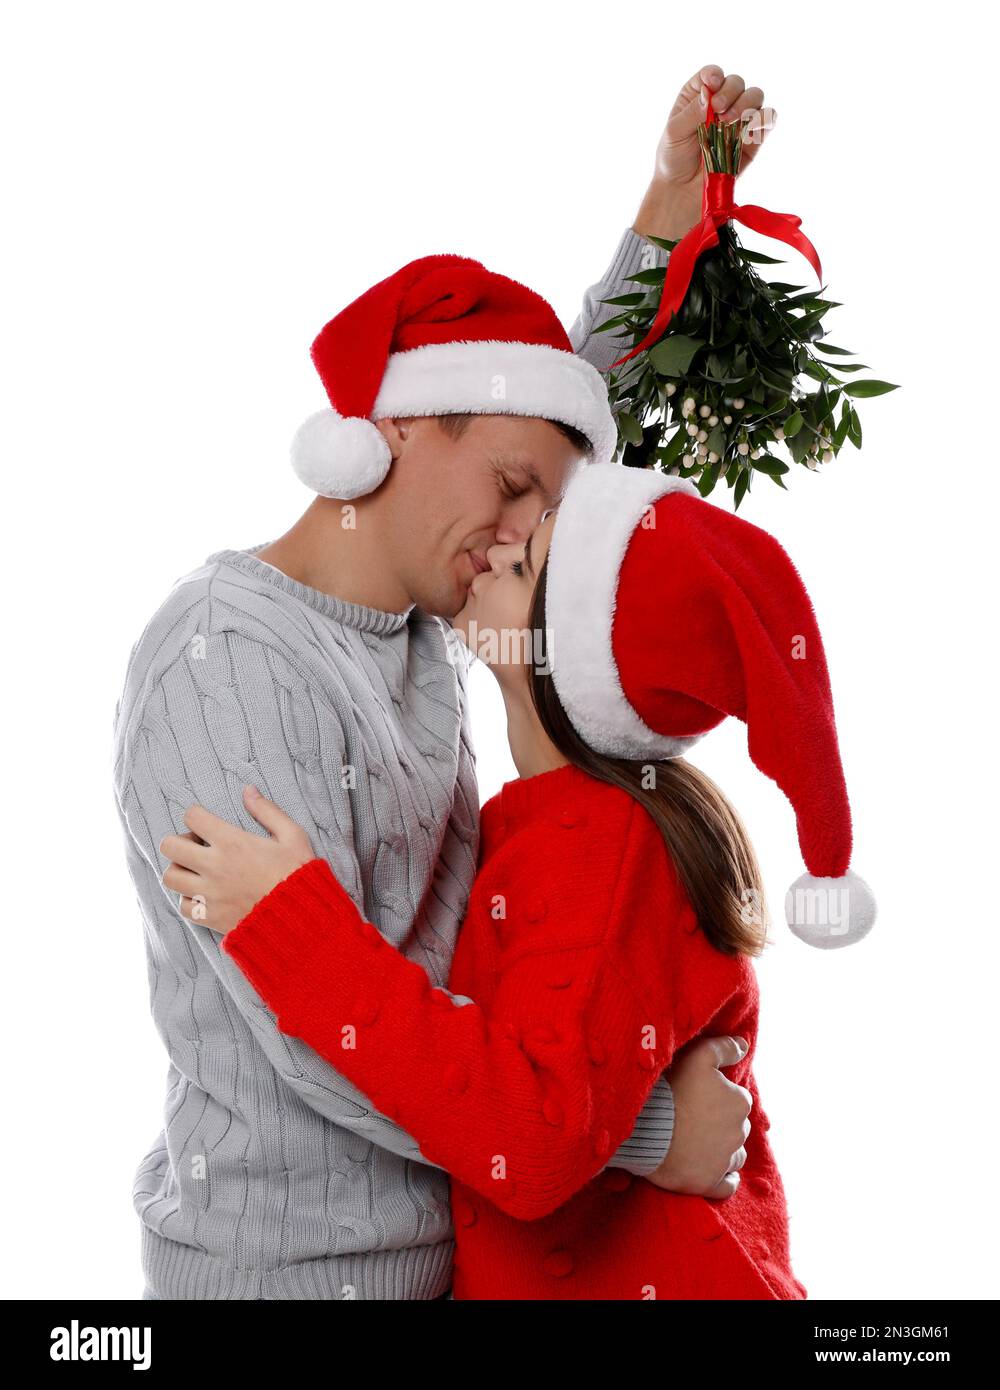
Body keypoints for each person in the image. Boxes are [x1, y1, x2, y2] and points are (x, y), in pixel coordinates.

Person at [115, 65, 777, 1300]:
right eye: (515, 496)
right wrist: (639, 1134)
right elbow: (313, 1036)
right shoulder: (226, 660)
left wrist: (668, 212)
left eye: (540, 517)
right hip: (291, 1279)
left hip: (465, 1254)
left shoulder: (427, 614)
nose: (521, 538)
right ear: (403, 429)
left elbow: (546, 409)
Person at [160, 462, 876, 1299]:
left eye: (527, 564)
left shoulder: (608, 845)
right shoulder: (534, 820)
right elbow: (539, 1091)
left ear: (575, 653)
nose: (500, 548)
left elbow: (532, 1139)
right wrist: (653, 1129)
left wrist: (291, 924)